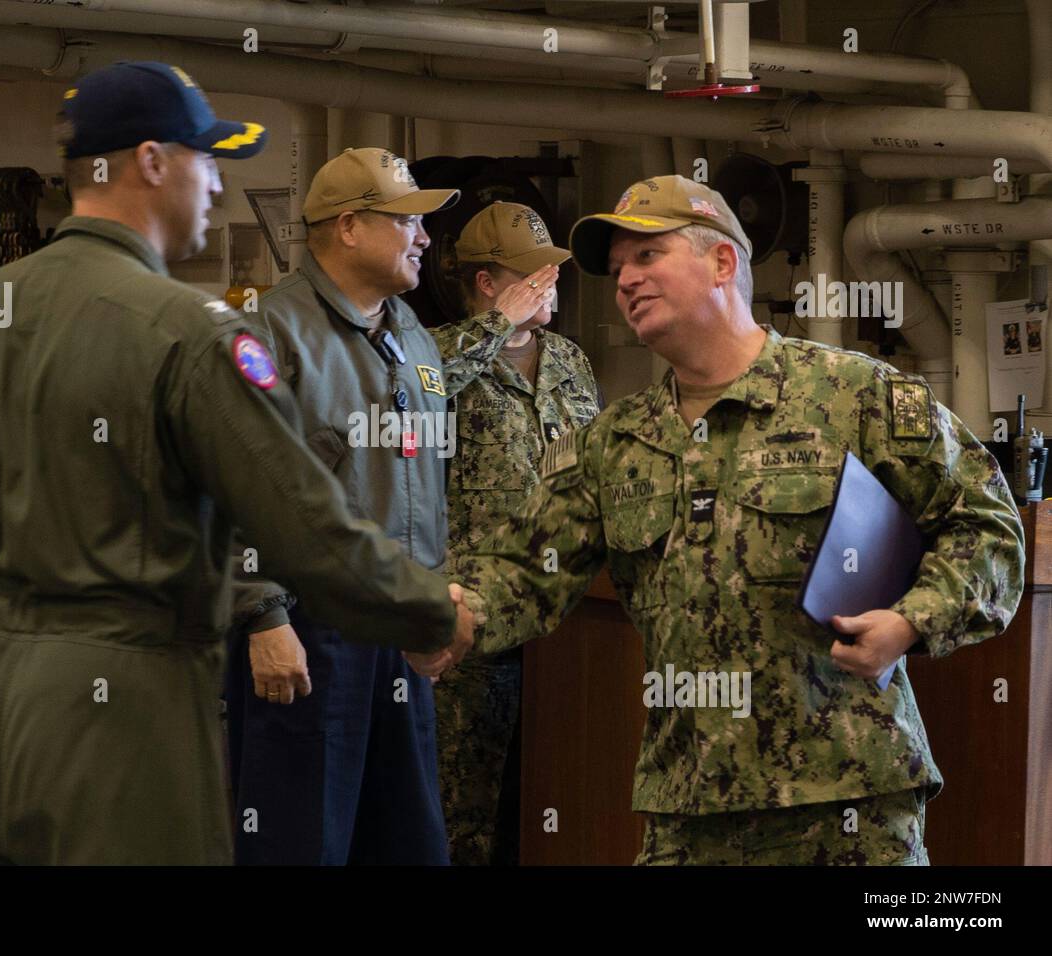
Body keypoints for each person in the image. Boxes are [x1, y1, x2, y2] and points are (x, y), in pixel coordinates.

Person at [0, 63, 473, 865]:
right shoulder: (192, 334)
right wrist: (433, 611)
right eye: (208, 161)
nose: (219, 190)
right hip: (132, 728)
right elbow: (306, 526)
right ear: (153, 163)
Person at [427, 175, 1025, 865]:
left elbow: (987, 524)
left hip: (845, 797)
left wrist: (912, 619)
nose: (624, 280)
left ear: (722, 263)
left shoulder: (851, 396)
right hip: (690, 808)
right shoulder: (616, 441)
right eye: (618, 267)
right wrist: (450, 616)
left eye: (647, 257)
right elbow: (523, 572)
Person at [226, 147, 463, 865]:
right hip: (308, 639)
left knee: (408, 843)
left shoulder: (412, 333)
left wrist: (431, 608)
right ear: (351, 227)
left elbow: (424, 485)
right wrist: (262, 613)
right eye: (407, 222)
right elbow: (234, 478)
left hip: (398, 629)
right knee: (303, 843)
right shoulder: (268, 333)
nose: (424, 237)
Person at [429, 201, 601, 865]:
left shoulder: (570, 362)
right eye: (532, 276)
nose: (550, 284)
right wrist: (495, 329)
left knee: (549, 802)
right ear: (486, 284)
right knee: (463, 809)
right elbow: (405, 404)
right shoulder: (438, 353)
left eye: (553, 271)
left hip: (564, 619)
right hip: (471, 615)